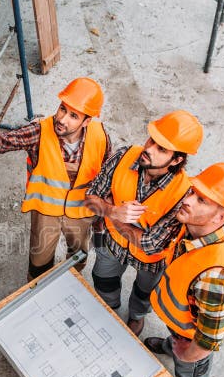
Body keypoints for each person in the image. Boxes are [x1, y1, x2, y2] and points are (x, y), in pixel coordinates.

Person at [0, 77, 112, 280]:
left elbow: (106, 178)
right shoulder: (40, 131)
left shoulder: (100, 137)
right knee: (39, 259)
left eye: (74, 116)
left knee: (79, 253)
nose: (63, 119)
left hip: (81, 211)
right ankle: (37, 287)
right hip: (46, 209)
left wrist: (101, 221)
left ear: (87, 121)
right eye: (63, 109)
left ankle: (70, 280)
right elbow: (6, 142)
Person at [144, 163, 224, 377]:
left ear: (221, 216)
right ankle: (173, 346)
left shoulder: (216, 278)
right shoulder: (205, 224)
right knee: (178, 344)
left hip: (192, 333)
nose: (188, 200)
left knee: (191, 370)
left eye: (201, 200)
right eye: (192, 191)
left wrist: (188, 353)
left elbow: (208, 340)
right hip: (179, 320)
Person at [84, 110, 203, 336]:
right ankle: (109, 309)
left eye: (161, 149)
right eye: (151, 140)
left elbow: (151, 245)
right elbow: (91, 198)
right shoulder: (124, 156)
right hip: (111, 245)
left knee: (143, 293)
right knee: (103, 280)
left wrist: (115, 219)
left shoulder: (183, 194)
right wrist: (112, 210)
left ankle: (136, 317)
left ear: (177, 159)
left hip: (151, 261)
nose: (148, 149)